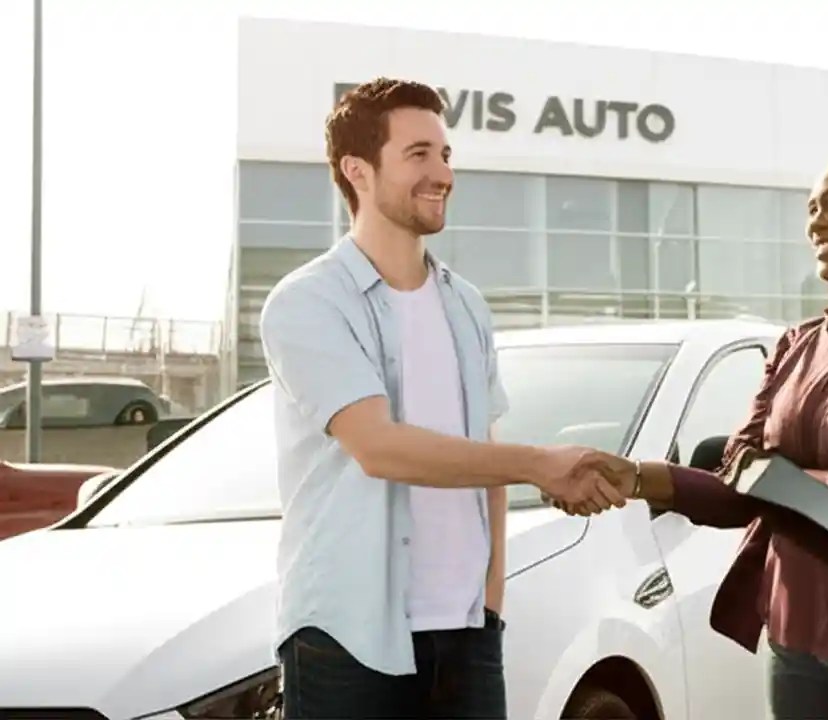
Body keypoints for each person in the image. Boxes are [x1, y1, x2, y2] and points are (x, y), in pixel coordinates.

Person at [559, 147, 828, 720]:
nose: (816, 220)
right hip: (792, 641)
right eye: (811, 207)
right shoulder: (799, 343)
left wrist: (783, 483)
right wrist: (637, 476)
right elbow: (738, 483)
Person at [258, 77, 623, 720]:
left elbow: (485, 456)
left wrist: (490, 604)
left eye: (446, 154)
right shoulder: (308, 302)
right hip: (348, 638)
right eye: (419, 154)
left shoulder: (466, 305)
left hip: (467, 635)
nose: (443, 173)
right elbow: (379, 448)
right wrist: (540, 462)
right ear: (357, 171)